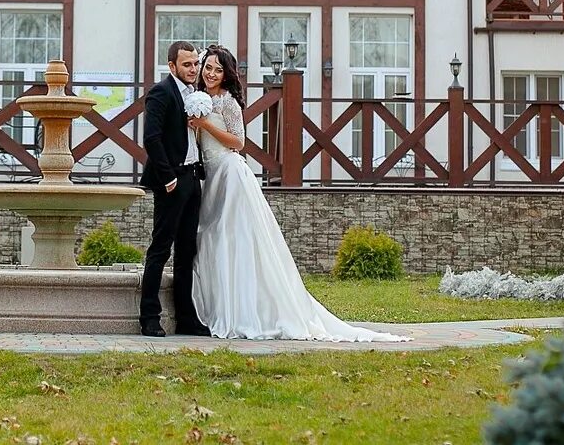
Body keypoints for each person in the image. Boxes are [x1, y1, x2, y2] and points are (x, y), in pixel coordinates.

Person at [189, 45, 410, 343]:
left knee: (234, 238)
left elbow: (238, 142)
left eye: (217, 69)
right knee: (213, 238)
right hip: (210, 175)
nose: (211, 73)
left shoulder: (228, 103)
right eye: (208, 67)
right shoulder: (198, 100)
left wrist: (204, 125)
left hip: (229, 174)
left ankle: (246, 310)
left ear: (226, 75)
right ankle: (217, 302)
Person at [138, 40, 212, 337]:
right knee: (160, 248)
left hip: (193, 179)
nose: (193, 69)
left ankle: (186, 317)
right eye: (187, 64)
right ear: (172, 66)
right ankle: (149, 317)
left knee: (187, 250)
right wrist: (168, 178)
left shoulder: (197, 94)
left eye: (195, 63)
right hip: (172, 181)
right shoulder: (161, 92)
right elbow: (151, 138)